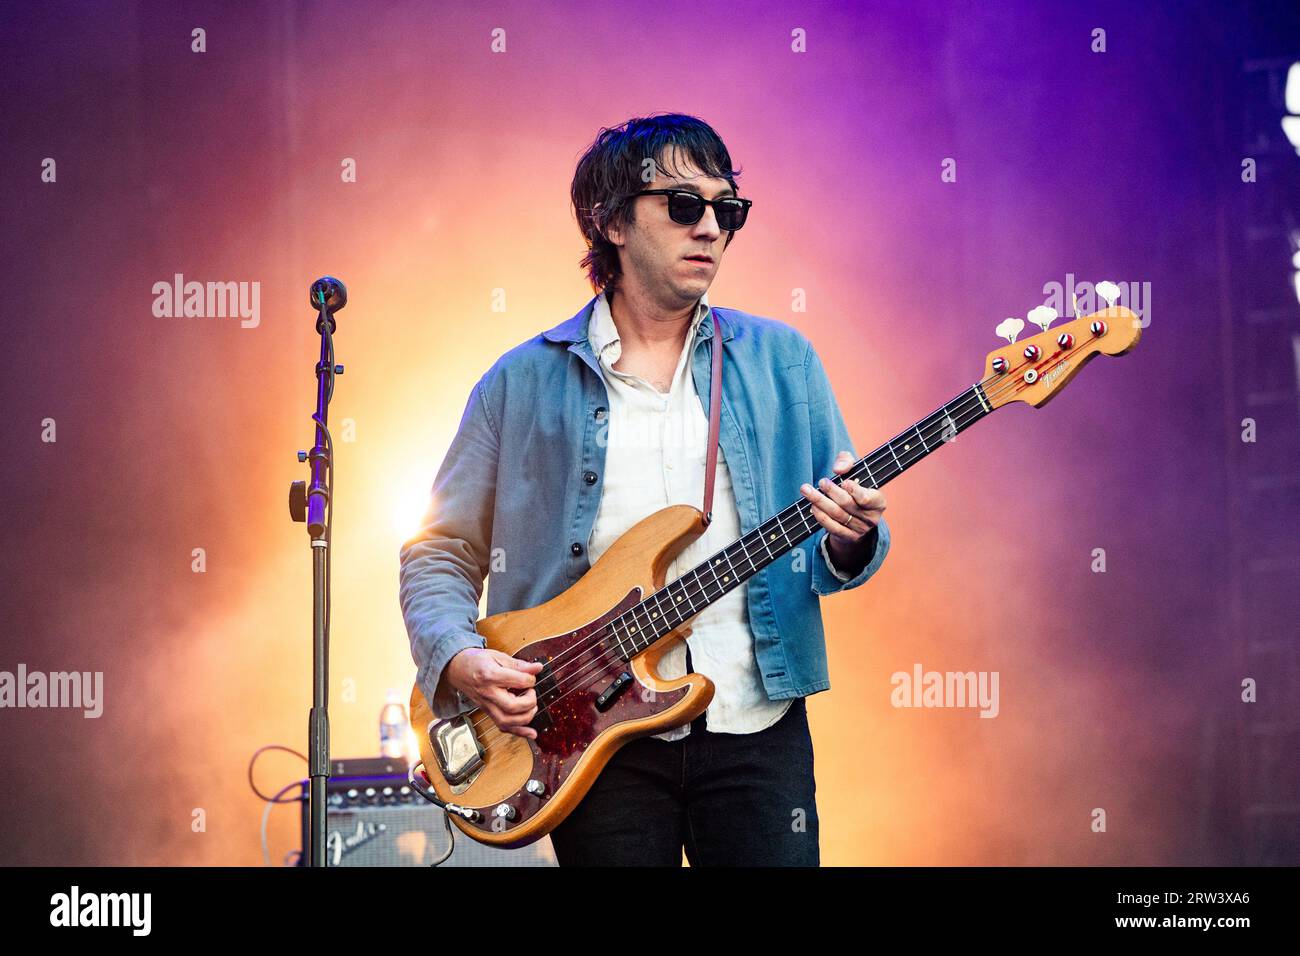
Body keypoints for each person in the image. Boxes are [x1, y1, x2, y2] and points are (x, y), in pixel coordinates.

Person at [399, 113, 890, 866]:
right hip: (591, 744)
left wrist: (851, 535)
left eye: (727, 211)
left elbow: (836, 543)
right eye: (683, 205)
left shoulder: (783, 360)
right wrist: (459, 657)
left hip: (756, 725)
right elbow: (440, 550)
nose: (712, 230)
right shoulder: (520, 382)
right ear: (611, 221)